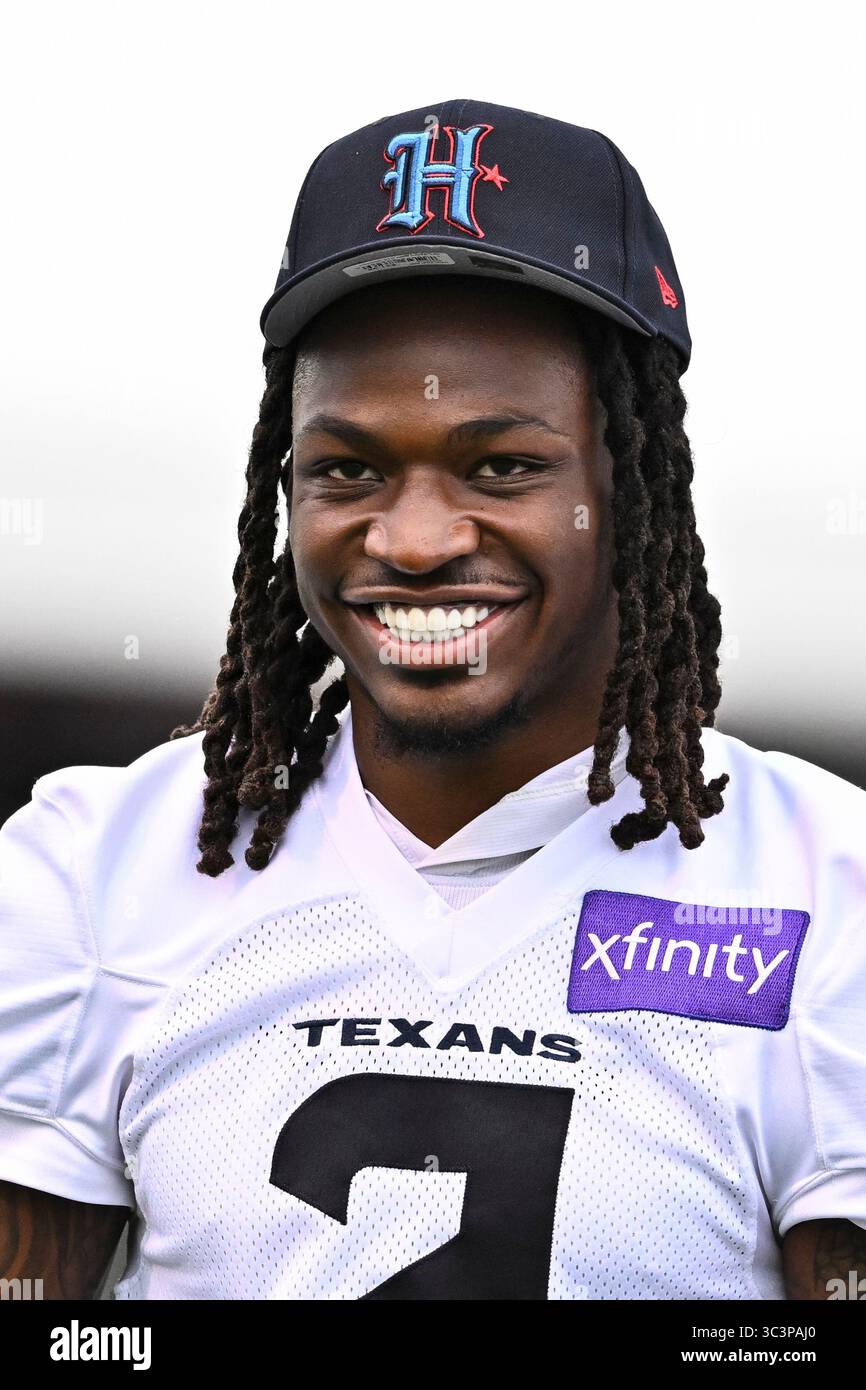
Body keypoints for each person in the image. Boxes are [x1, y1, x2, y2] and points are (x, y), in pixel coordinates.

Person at [1, 98, 865, 1301]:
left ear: (634, 486)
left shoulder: (825, 891)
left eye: (501, 466)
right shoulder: (86, 873)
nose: (410, 541)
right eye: (348, 467)